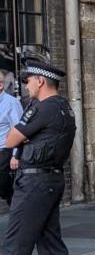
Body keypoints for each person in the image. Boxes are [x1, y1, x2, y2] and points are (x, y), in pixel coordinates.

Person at [2, 60, 75, 255]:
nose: (26, 86)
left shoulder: (43, 108)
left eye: (29, 81)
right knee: (50, 243)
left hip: (34, 183)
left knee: (16, 244)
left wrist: (25, 137)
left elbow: (10, 140)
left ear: (40, 81)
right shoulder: (63, 106)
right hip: (50, 180)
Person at [0, 77, 22, 205]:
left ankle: (12, 199)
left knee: (4, 184)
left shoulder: (11, 103)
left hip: (5, 150)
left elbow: (19, 130)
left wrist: (15, 155)